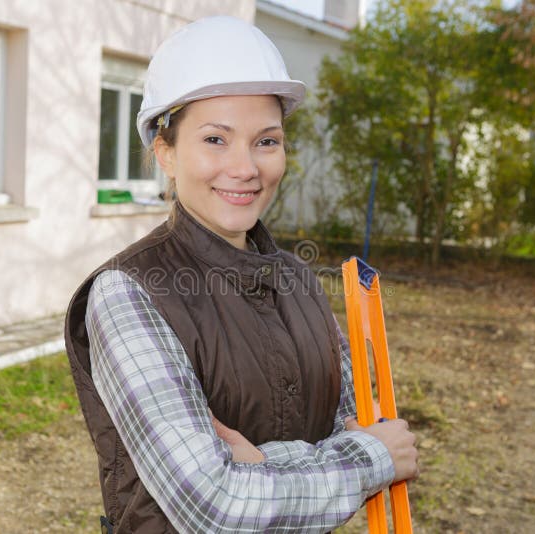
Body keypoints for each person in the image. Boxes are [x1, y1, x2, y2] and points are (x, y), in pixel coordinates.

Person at [64, 15, 419, 534]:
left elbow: (363, 425)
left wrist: (265, 468)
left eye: (267, 141)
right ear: (165, 151)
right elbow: (217, 507)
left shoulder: (299, 279)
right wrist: (365, 463)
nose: (245, 167)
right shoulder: (127, 293)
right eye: (215, 140)